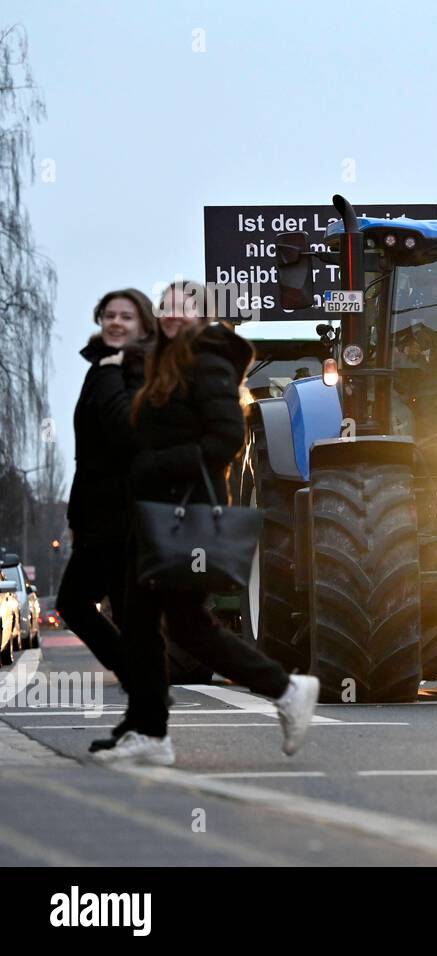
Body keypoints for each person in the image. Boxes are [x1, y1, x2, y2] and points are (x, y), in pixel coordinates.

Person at [93, 280, 318, 766]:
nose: (173, 314)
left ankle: (286, 690)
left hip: (185, 512)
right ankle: (153, 733)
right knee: (141, 622)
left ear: (201, 316)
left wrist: (157, 465)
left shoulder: (209, 362)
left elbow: (226, 438)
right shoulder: (163, 364)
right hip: (153, 513)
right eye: (167, 306)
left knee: (188, 626)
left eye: (184, 307)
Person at [57, 289, 155, 699]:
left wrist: (112, 371)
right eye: (109, 315)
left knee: (76, 603)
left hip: (121, 513)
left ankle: (143, 687)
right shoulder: (103, 366)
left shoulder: (132, 369)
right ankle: (145, 697)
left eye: (126, 317)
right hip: (100, 513)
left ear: (143, 326)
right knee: (125, 612)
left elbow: (125, 430)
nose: (116, 322)